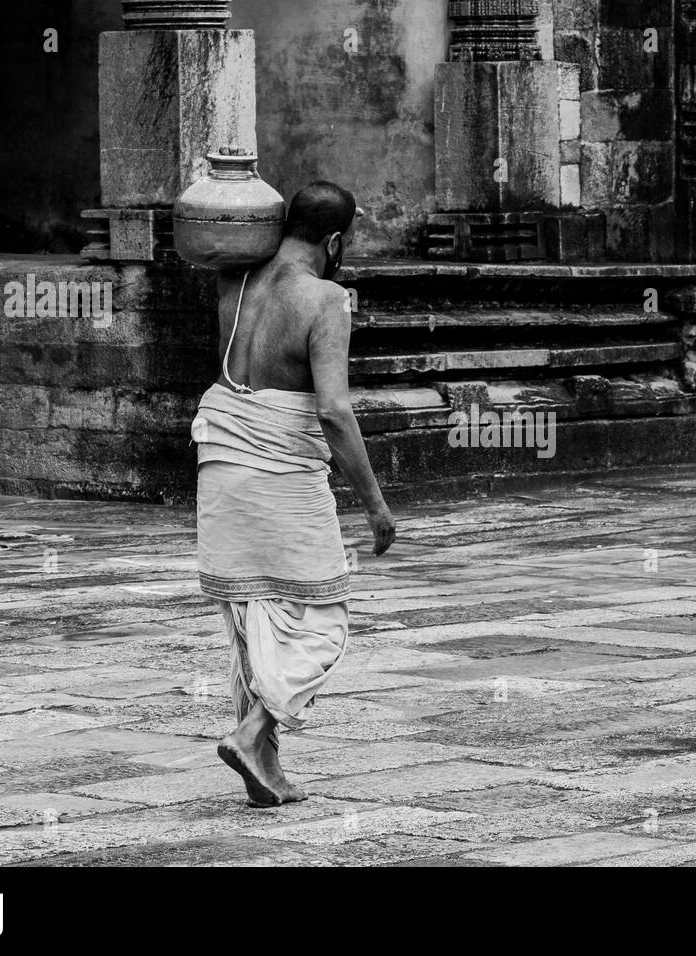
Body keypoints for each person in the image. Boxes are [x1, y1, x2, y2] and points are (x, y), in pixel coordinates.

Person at [191, 181, 396, 806]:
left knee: (255, 616)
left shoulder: (235, 281)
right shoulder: (327, 298)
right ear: (335, 241)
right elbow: (334, 410)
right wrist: (375, 503)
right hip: (281, 470)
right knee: (321, 623)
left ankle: (268, 769)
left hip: (223, 462)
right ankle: (253, 732)